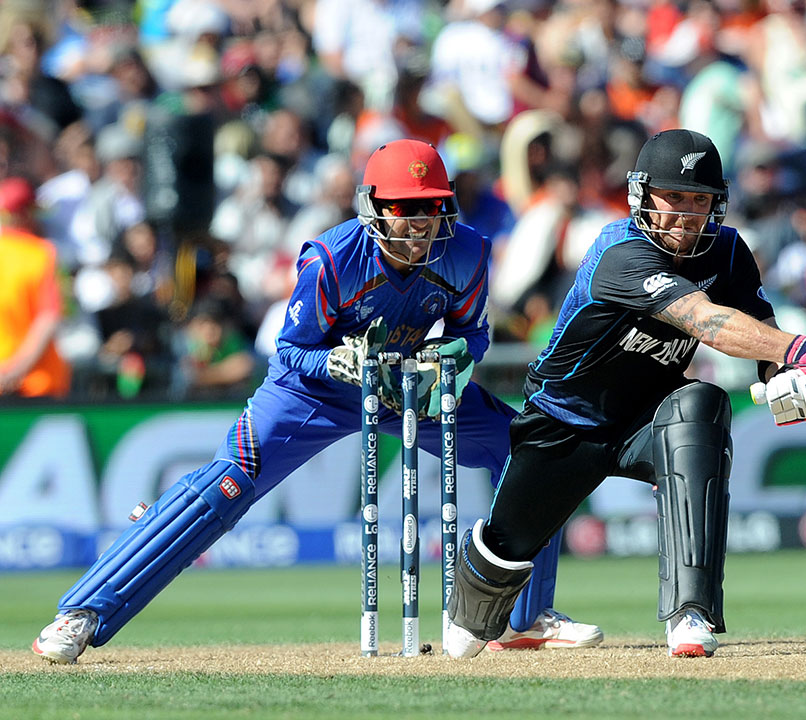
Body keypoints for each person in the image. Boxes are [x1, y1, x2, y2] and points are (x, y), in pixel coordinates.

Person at [32, 140, 600, 663]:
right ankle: (82, 613)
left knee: (529, 448)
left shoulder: (469, 253)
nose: (420, 225)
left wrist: (450, 361)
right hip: (316, 391)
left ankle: (522, 619)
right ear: (373, 206)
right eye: (405, 209)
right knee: (225, 485)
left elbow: (473, 334)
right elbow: (290, 350)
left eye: (431, 208)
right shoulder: (332, 258)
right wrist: (333, 362)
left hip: (408, 385)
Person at [438, 129, 806, 659]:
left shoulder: (728, 251)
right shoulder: (619, 253)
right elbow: (707, 321)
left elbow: (757, 325)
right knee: (469, 634)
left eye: (700, 201)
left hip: (646, 422)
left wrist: (780, 376)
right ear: (642, 195)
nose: (687, 214)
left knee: (702, 404)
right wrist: (802, 350)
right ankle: (479, 597)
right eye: (673, 198)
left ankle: (689, 613)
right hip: (563, 424)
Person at [0, 177, 71, 398]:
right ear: (25, 213)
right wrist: (15, 371)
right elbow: (49, 319)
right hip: (37, 383)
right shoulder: (43, 254)